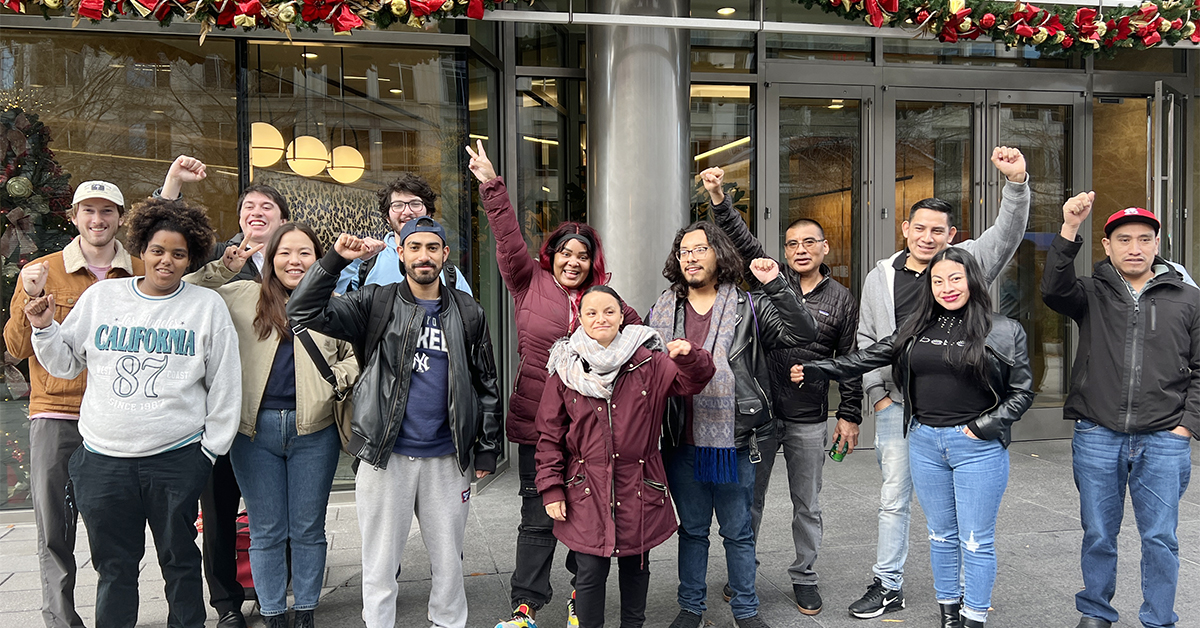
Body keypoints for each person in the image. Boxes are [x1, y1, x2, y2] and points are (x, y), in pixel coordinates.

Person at [25, 196, 241, 628]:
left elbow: (225, 385)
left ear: (191, 257)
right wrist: (44, 327)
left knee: (180, 562)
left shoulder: (205, 306)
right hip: (104, 461)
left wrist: (208, 454)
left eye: (178, 254)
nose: (166, 261)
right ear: (141, 248)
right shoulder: (104, 297)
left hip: (176, 458)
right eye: (158, 250)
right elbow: (66, 364)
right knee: (114, 567)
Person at [792, 247, 1033, 628]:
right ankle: (949, 615)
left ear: (972, 279)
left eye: (955, 278)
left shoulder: (1002, 329)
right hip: (924, 442)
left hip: (977, 448)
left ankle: (973, 618)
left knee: (975, 541)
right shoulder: (917, 327)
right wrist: (819, 369)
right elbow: (868, 357)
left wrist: (980, 428)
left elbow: (1022, 393)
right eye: (938, 281)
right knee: (940, 536)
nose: (947, 287)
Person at [287, 216, 503, 628]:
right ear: (400, 253)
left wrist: (488, 447)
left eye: (432, 248)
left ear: (444, 255)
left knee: (449, 564)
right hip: (386, 457)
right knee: (380, 565)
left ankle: (448, 623)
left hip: (448, 457)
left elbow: (486, 382)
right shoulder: (375, 302)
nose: (424, 256)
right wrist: (334, 260)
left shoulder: (468, 310)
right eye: (415, 247)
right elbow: (301, 310)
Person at [465, 140, 642, 628]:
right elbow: (507, 240)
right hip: (536, 419)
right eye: (565, 252)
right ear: (552, 255)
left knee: (582, 514)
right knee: (539, 512)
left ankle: (575, 597)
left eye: (582, 256)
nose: (572, 262)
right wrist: (491, 186)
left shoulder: (601, 299)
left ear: (592, 262)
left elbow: (640, 333)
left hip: (588, 426)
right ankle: (526, 602)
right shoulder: (528, 282)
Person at [851, 146, 1030, 619]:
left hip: (962, 416)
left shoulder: (967, 262)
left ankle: (971, 602)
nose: (928, 238)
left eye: (939, 231)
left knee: (964, 522)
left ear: (953, 236)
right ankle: (888, 585)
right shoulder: (880, 276)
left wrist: (1016, 184)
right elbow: (868, 337)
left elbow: (1008, 234)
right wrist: (878, 397)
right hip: (901, 408)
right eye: (920, 228)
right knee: (894, 498)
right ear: (905, 230)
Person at [703, 166, 862, 616]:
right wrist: (718, 198)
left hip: (810, 417)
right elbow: (741, 239)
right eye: (792, 243)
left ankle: (805, 577)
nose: (799, 249)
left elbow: (850, 359)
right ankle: (742, 572)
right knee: (749, 500)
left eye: (809, 242)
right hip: (763, 417)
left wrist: (849, 413)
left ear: (825, 248)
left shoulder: (842, 299)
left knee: (806, 505)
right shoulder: (771, 281)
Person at [184, 223, 359, 628]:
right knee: (266, 530)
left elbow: (356, 356)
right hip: (254, 434)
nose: (294, 261)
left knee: (308, 529)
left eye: (304, 253)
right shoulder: (242, 296)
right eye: (285, 253)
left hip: (315, 432)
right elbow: (187, 290)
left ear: (318, 259)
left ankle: (305, 611)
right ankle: (274, 612)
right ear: (270, 259)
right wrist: (224, 269)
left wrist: (335, 378)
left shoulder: (335, 303)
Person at [647, 222, 817, 628]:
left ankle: (746, 609)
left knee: (738, 532)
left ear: (718, 254)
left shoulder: (748, 307)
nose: (690, 257)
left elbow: (803, 330)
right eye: (684, 251)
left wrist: (776, 285)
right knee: (692, 531)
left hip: (739, 439)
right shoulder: (662, 309)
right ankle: (691, 608)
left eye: (700, 249)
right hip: (680, 437)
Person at [1042, 197, 1199, 628]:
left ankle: (1159, 617)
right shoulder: (1091, 292)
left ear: (1157, 244)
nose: (1135, 247)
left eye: (1144, 239)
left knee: (1161, 538)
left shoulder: (1187, 298)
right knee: (1097, 533)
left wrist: (1186, 426)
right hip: (1098, 432)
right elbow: (1053, 289)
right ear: (1108, 247)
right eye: (1124, 239)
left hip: (1165, 437)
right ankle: (1096, 612)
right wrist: (1070, 227)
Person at [3, 180, 145, 628]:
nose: (97, 220)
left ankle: (114, 617)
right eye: (88, 211)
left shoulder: (141, 270)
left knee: (116, 530)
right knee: (54, 530)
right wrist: (29, 295)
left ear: (120, 217)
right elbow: (16, 347)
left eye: (107, 211)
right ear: (74, 216)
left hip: (119, 417)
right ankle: (61, 621)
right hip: (57, 414)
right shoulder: (43, 269)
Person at [534, 285, 716, 628]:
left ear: (621, 316)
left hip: (639, 483)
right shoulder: (565, 368)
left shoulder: (649, 360)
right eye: (591, 312)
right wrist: (551, 488)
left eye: (608, 311)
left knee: (637, 566)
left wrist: (691, 356)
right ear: (580, 319)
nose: (600, 318)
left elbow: (695, 380)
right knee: (589, 570)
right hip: (585, 487)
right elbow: (549, 435)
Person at [159, 155, 290, 628]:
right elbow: (165, 248)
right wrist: (173, 183)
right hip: (217, 409)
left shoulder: (293, 261)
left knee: (277, 508)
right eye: (249, 205)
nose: (257, 212)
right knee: (217, 510)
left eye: (267, 206)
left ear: (282, 218)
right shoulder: (218, 260)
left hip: (273, 409)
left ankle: (277, 585)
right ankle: (227, 602)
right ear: (239, 217)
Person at [334, 173, 472, 295]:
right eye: (398, 205)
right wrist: (352, 260)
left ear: (428, 213)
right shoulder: (366, 262)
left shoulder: (448, 272)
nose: (407, 212)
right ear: (387, 217)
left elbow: (468, 317)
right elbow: (333, 301)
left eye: (415, 204)